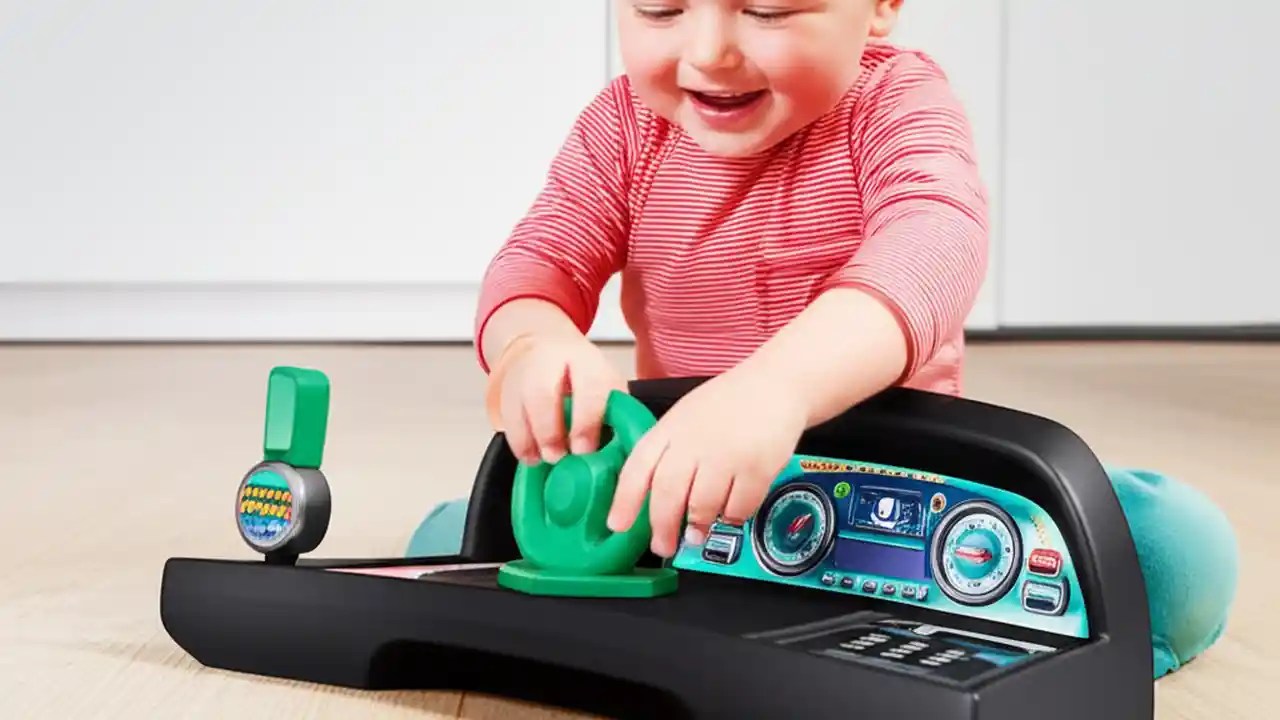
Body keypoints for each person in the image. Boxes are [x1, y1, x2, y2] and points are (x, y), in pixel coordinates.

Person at [409, 0, 1237, 679]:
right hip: (688, 515)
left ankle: (1069, 657)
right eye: (659, 9)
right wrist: (532, 342)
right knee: (452, 537)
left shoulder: (896, 104)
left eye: (767, 10)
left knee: (1171, 542)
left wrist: (775, 389)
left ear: (880, 6)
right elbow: (540, 258)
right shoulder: (621, 129)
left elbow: (935, 239)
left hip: (903, 516)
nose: (709, 51)